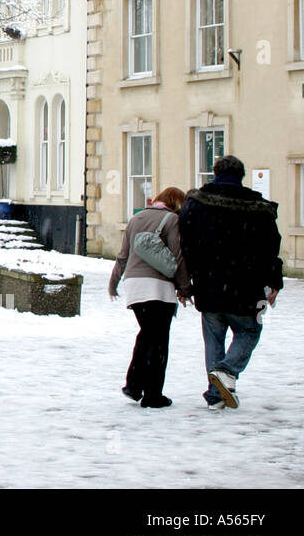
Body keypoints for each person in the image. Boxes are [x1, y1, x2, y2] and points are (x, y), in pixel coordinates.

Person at [178, 155, 283, 411]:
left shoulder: (196, 204)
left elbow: (186, 245)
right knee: (250, 330)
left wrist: (186, 283)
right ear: (242, 175)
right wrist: (274, 282)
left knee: (214, 338)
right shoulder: (258, 208)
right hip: (246, 286)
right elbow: (271, 248)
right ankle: (226, 371)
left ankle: (216, 393)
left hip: (208, 284)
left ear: (215, 173)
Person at [109, 186, 191, 408]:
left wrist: (113, 282)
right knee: (158, 341)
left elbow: (123, 255)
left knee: (147, 335)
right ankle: (153, 395)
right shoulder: (172, 220)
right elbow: (178, 256)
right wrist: (185, 287)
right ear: (176, 204)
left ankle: (134, 385)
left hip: (134, 286)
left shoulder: (136, 218)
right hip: (159, 288)